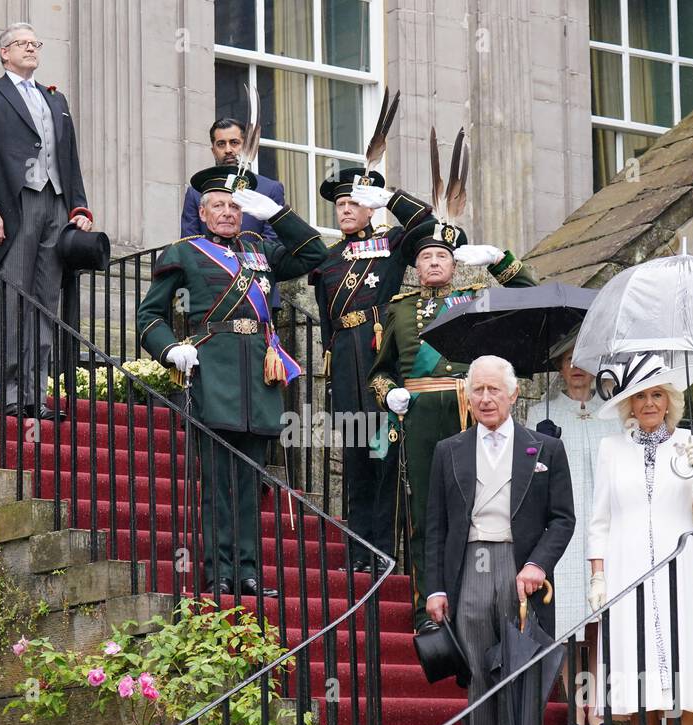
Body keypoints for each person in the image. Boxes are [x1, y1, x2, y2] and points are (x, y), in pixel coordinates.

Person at [136, 165, 327, 596]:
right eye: (218, 206)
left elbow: (316, 255)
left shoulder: (261, 247)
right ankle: (218, 570)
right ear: (202, 214)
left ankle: (248, 571)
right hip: (214, 372)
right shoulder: (184, 252)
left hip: (260, 377)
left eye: (234, 206)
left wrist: (278, 214)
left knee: (249, 481)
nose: (227, 213)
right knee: (218, 481)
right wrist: (170, 350)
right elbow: (149, 316)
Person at [367, 218, 536, 634]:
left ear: (455, 264)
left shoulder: (476, 299)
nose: (434, 263)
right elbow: (379, 373)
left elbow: (531, 297)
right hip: (421, 417)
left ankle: (474, 601)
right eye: (426, 257)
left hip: (471, 412)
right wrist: (389, 394)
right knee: (426, 512)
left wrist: (499, 259)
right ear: (416, 267)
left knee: (479, 508)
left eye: (442, 255)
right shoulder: (400, 309)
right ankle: (429, 606)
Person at [424, 355, 575, 725]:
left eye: (494, 390)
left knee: (524, 680)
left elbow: (563, 519)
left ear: (514, 394)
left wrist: (538, 566)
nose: (486, 398)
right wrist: (434, 588)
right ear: (467, 397)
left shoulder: (544, 449)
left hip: (520, 572)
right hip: (469, 569)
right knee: (477, 681)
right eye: (478, 390)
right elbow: (434, 526)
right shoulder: (447, 449)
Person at [585, 352, 693, 725]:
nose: (649, 403)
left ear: (669, 401)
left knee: (686, 668)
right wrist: (597, 575)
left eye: (657, 395)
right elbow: (599, 520)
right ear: (629, 403)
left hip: (678, 567)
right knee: (636, 670)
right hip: (628, 569)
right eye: (640, 396)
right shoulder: (611, 450)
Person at [0, 21, 95, 419]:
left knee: (46, 305)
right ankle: (11, 395)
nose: (30, 49)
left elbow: (69, 158)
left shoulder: (56, 100)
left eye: (34, 43)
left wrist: (79, 207)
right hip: (15, 205)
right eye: (21, 44)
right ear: (4, 52)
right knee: (16, 300)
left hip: (55, 204)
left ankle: (36, 397)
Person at [308, 168, 432, 574]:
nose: (344, 210)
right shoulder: (328, 261)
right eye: (340, 205)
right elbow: (328, 329)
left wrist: (389, 197)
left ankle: (383, 551)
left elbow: (426, 222)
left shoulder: (391, 244)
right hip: (346, 366)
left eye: (353, 204)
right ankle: (359, 553)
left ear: (369, 210)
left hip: (383, 366)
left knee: (385, 459)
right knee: (357, 460)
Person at [523, 333, 623, 725]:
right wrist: (540, 444)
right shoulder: (539, 414)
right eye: (567, 359)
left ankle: (596, 709)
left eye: (583, 358)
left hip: (605, 528)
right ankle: (573, 709)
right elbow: (528, 477)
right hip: (561, 529)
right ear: (559, 367)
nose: (576, 367)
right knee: (567, 624)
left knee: (599, 620)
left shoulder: (615, 414)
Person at [180, 118, 286, 311]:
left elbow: (273, 243)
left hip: (257, 290)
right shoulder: (196, 193)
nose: (228, 149)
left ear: (246, 146)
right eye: (221, 144)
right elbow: (189, 243)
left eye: (234, 143)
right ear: (213, 150)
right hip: (210, 291)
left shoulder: (270, 189)